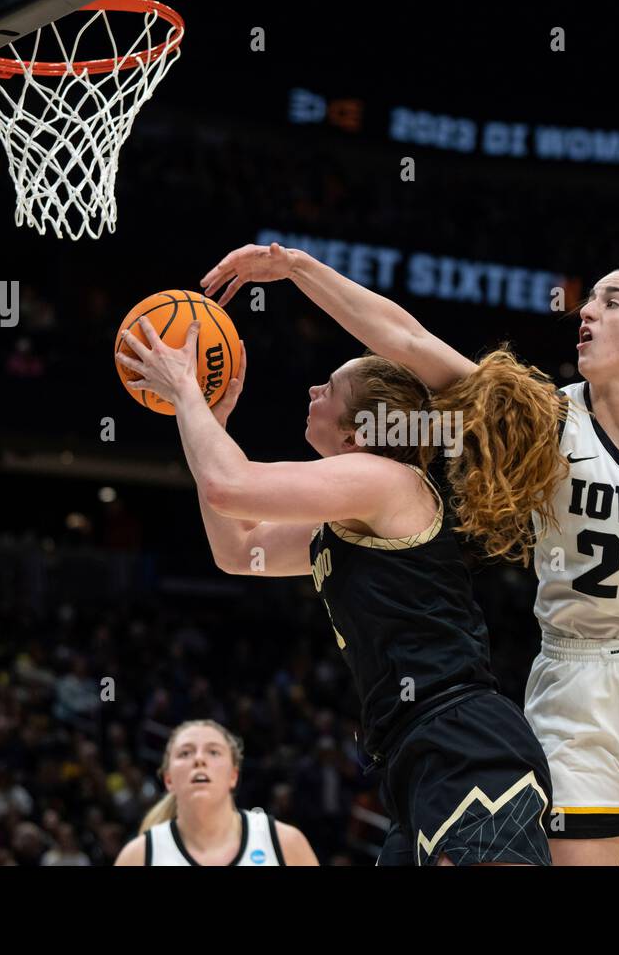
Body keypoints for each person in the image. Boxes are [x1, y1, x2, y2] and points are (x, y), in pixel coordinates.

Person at [199, 243, 619, 866]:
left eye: (613, 301)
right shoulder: (542, 419)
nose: (588, 311)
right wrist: (297, 267)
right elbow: (408, 342)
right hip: (572, 681)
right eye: (588, 301)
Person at [115, 314, 556, 866]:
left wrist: (186, 388)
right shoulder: (351, 516)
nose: (313, 389)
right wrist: (213, 420)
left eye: (331, 386)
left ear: (358, 432)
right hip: (413, 755)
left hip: (466, 744)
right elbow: (237, 552)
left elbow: (230, 487)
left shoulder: (388, 481)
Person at [115, 719, 318, 866]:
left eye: (213, 752)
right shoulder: (138, 856)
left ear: (233, 776)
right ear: (169, 780)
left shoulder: (284, 843)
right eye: (185, 753)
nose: (199, 760)